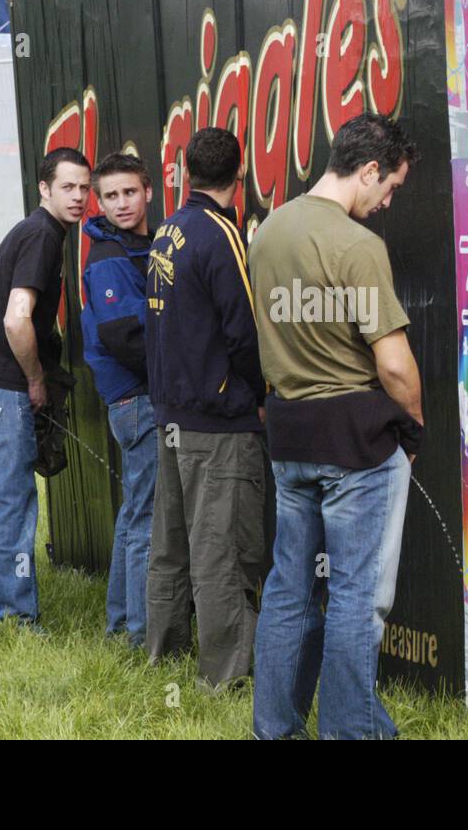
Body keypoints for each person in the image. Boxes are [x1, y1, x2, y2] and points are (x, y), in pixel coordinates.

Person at [249, 113, 424, 740]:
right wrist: (415, 427)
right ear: (369, 169)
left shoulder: (268, 230)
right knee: (355, 598)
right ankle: (353, 733)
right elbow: (395, 362)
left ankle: (274, 727)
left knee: (289, 589)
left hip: (290, 437)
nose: (387, 201)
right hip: (355, 440)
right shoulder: (356, 245)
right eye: (392, 187)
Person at [144, 127, 266, 689]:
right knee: (220, 549)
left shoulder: (168, 229)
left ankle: (162, 654)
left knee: (171, 544)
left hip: (170, 412)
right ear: (239, 178)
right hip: (216, 422)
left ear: (184, 174)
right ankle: (223, 676)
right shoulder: (222, 233)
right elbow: (243, 331)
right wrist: (259, 395)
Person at [0, 147, 90, 626]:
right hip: (2, 391)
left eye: (83, 187)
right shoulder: (42, 236)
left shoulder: (35, 231)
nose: (78, 197)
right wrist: (36, 380)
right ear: (44, 189)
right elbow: (18, 320)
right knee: (11, 504)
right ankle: (15, 620)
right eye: (67, 187)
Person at [81, 153, 156, 647]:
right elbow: (123, 337)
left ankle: (121, 625)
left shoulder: (143, 245)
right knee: (148, 517)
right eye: (110, 196)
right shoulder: (107, 257)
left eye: (129, 192)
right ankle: (140, 633)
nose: (121, 203)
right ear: (99, 201)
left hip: (140, 399)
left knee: (136, 513)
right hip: (137, 399)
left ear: (148, 191)